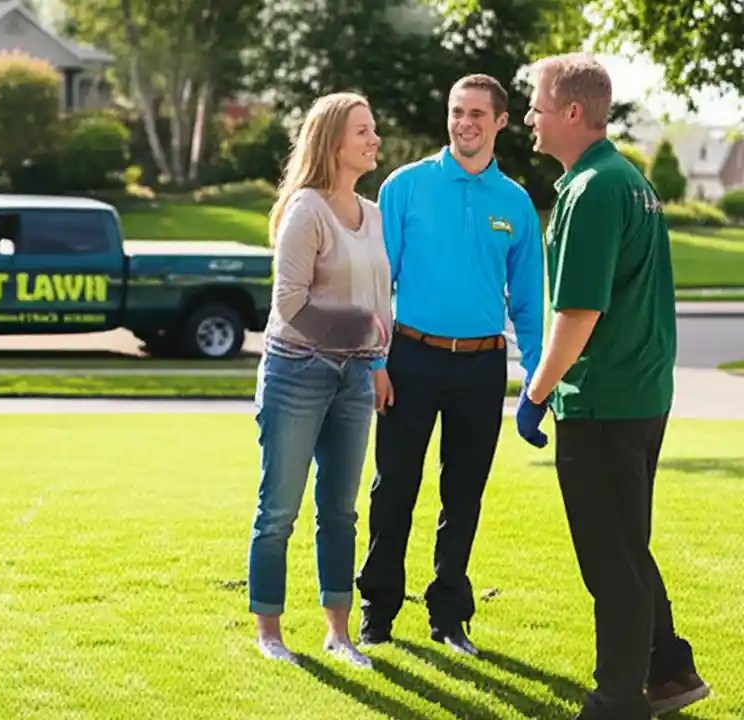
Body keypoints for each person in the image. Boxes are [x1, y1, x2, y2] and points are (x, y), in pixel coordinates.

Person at [517, 52, 709, 719]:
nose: (529, 118)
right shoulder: (628, 179)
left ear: (572, 111)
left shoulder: (592, 190)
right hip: (639, 393)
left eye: (537, 106)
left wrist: (536, 392)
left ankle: (617, 700)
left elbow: (578, 313)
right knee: (627, 544)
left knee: (609, 561)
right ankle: (670, 671)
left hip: (603, 399)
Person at [354, 73, 544, 656]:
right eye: (457, 112)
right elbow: (378, 285)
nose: (464, 123)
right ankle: (377, 612)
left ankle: (449, 617)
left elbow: (529, 303)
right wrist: (375, 361)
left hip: (482, 366)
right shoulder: (405, 187)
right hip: (410, 357)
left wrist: (537, 382)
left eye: (477, 114)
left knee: (464, 493)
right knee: (394, 487)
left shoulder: (515, 203)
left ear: (501, 122)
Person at [247, 91, 393, 669]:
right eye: (363, 130)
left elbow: (378, 298)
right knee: (278, 511)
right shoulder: (306, 210)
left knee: (340, 511)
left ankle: (338, 633)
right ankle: (270, 633)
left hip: (355, 377)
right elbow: (289, 303)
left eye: (372, 128)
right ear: (332, 142)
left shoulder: (373, 213)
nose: (374, 139)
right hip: (297, 371)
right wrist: (357, 326)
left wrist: (377, 363)